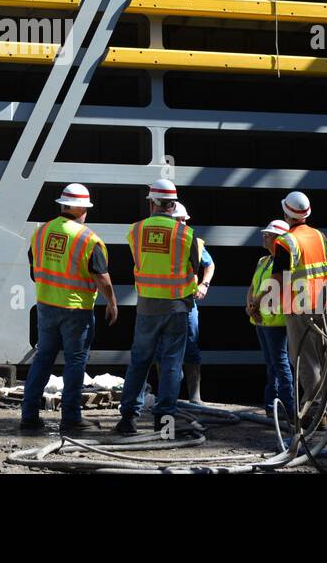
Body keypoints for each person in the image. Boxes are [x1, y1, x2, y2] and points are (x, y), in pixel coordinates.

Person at [20, 183, 117, 435]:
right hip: (76, 309)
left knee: (42, 359)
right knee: (75, 362)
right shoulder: (87, 238)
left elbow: (34, 271)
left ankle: (29, 415)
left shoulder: (40, 233)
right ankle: (71, 417)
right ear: (81, 208)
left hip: (46, 305)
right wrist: (113, 302)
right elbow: (102, 277)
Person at [115, 179, 203, 435]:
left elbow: (139, 259)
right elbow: (194, 268)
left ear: (152, 202)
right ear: (173, 204)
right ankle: (165, 424)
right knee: (172, 363)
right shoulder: (187, 234)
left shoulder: (136, 230)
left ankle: (127, 419)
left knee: (139, 361)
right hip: (177, 306)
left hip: (146, 305)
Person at [277, 191, 327, 420]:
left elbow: (279, 278)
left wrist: (260, 301)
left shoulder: (286, 241)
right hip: (326, 303)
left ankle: (314, 411)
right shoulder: (320, 236)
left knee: (305, 359)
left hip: (301, 306)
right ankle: (326, 409)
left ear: (286, 213)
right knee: (323, 358)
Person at [247, 218, 294, 421]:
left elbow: (274, 287)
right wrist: (250, 306)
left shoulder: (284, 263)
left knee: (280, 363)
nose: (264, 236)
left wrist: (254, 305)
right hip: (260, 319)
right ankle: (271, 406)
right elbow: (252, 286)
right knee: (271, 363)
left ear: (279, 239)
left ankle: (288, 408)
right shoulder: (263, 261)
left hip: (276, 320)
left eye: (269, 234)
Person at [173, 202, 214, 404]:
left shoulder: (195, 242)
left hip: (187, 302)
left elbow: (209, 264)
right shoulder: (165, 242)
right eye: (177, 220)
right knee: (163, 348)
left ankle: (194, 397)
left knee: (190, 346)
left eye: (183, 220)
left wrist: (204, 284)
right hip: (165, 301)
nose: (181, 223)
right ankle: (170, 395)